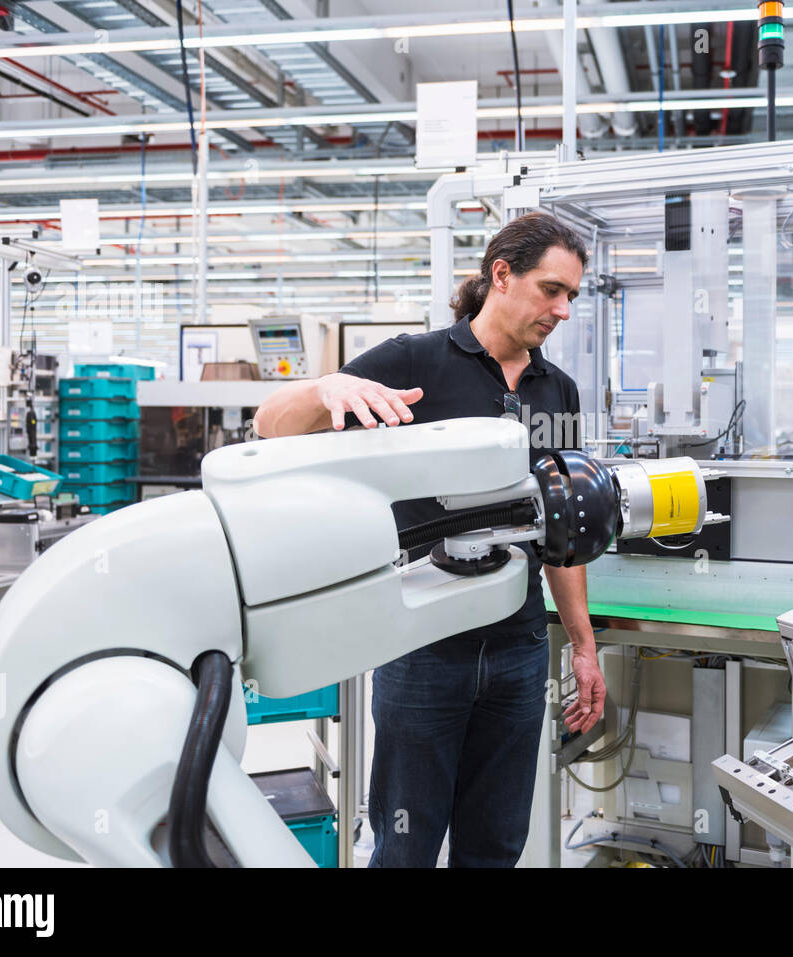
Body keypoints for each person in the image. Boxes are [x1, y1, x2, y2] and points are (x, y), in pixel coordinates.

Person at [252, 211, 606, 867]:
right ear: (502, 275)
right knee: (406, 845)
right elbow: (271, 424)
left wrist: (582, 644)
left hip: (519, 649)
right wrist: (328, 384)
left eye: (571, 297)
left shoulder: (556, 389)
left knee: (496, 843)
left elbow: (562, 529)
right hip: (422, 650)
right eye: (551, 290)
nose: (562, 309)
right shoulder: (415, 360)